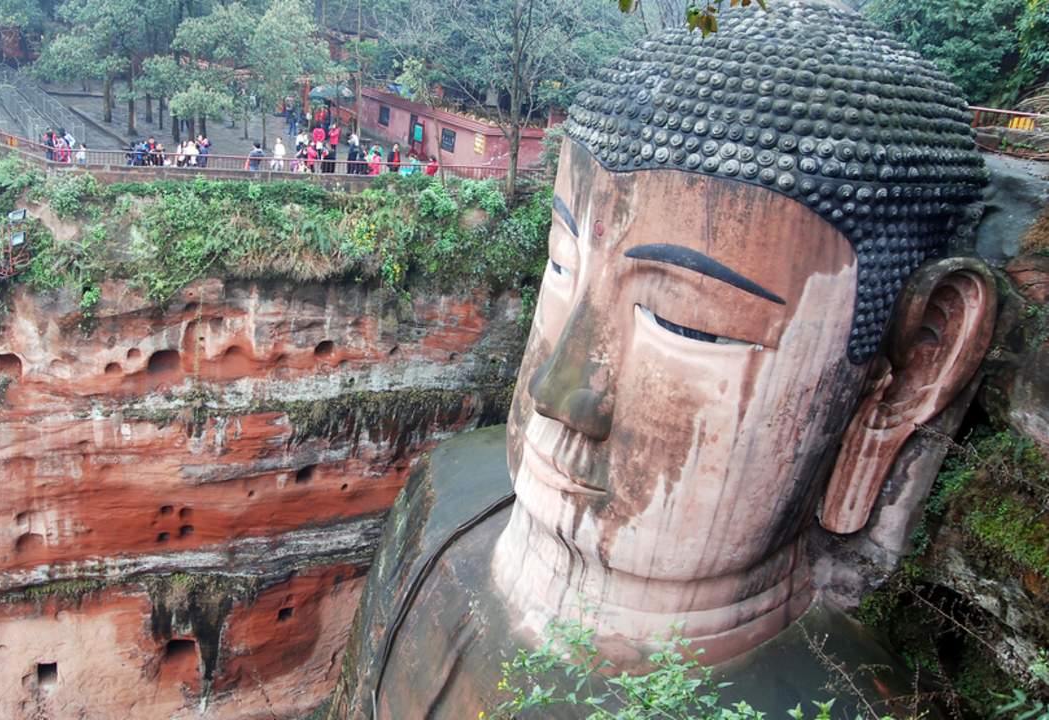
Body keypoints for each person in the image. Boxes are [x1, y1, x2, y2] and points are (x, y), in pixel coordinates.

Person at [327, 3, 993, 718]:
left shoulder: (861, 705)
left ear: (909, 375)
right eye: (559, 266)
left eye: (687, 324)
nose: (559, 393)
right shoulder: (443, 497)